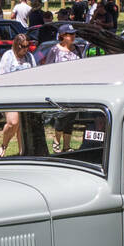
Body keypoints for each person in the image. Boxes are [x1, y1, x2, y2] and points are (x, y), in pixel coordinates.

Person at [0, 34, 35, 156]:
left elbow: (35, 73)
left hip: (26, 96)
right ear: (17, 45)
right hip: (9, 96)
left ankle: (22, 153)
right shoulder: (8, 56)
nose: (26, 49)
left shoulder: (29, 57)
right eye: (23, 46)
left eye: (28, 46)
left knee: (22, 127)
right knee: (13, 122)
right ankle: (4, 145)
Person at [43, 24, 81, 152]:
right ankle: (56, 141)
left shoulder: (78, 49)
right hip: (60, 89)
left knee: (71, 117)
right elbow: (48, 69)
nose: (73, 36)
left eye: (74, 34)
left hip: (75, 89)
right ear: (63, 36)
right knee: (61, 116)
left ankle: (67, 146)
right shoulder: (55, 50)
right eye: (70, 34)